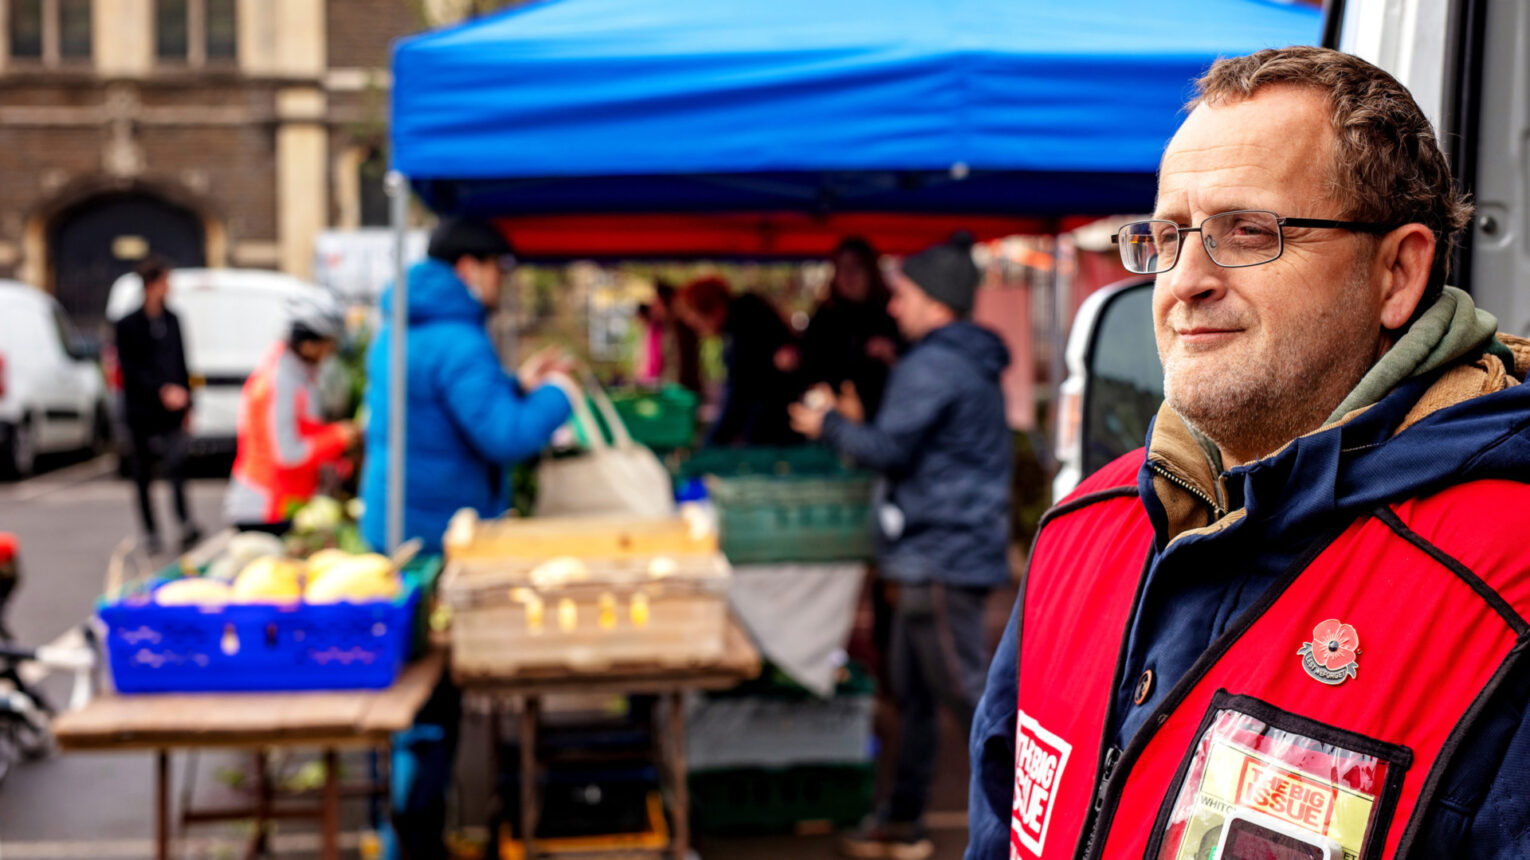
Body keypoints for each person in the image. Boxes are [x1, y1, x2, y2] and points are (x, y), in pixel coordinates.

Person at [966, 46, 1530, 860]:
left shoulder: (1506, 581)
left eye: (1247, 231)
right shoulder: (1083, 532)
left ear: (1398, 272)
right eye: (1166, 237)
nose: (1182, 281)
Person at [791, 232, 1012, 860]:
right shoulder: (954, 360)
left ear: (938, 304)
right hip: (935, 552)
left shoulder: (935, 363)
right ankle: (902, 823)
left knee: (970, 699)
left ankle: (1037, 827)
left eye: (905, 295)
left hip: (939, 558)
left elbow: (889, 451)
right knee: (916, 699)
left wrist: (827, 424)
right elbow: (915, 448)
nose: (893, 307)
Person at [359, 217, 572, 556]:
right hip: (438, 533)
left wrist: (517, 384)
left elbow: (440, 403)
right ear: (468, 267)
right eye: (497, 268)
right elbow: (505, 436)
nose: (501, 280)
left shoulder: (397, 329)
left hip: (393, 519)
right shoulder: (460, 342)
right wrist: (560, 392)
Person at [223, 292, 358, 532]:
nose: (329, 354)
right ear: (308, 344)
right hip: (266, 510)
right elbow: (288, 453)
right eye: (328, 346)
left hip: (285, 504)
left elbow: (304, 428)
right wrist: (337, 437)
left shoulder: (298, 374)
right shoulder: (279, 380)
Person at [112, 256, 199, 555]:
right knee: (143, 473)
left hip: (172, 408)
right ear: (152, 285)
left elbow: (182, 362)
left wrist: (187, 401)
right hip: (141, 409)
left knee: (177, 465)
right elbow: (130, 369)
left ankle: (185, 523)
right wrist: (161, 390)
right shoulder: (127, 325)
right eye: (166, 281)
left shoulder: (173, 319)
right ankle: (150, 532)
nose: (169, 287)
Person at [676, 275, 802, 446]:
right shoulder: (745, 317)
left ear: (714, 310)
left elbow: (740, 397)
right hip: (774, 423)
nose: (697, 329)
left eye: (697, 322)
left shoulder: (745, 328)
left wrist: (711, 445)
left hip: (775, 428)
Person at [801, 237, 901, 420]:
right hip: (830, 420)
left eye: (856, 267)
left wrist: (892, 355)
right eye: (842, 268)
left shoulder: (893, 314)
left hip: (883, 419)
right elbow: (807, 368)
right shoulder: (823, 319)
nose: (849, 275)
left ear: (870, 271)